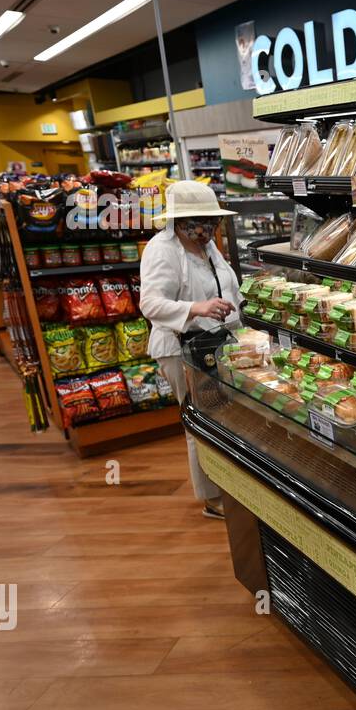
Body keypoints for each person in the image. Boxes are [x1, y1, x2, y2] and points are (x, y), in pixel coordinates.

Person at [139, 180, 240, 519]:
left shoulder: (206, 247)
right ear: (180, 222)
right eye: (200, 220)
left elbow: (227, 288)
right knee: (200, 420)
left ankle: (229, 485)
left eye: (212, 220)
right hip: (180, 348)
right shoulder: (162, 250)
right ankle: (213, 497)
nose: (208, 227)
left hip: (214, 344)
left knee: (220, 417)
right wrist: (196, 308)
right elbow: (150, 303)